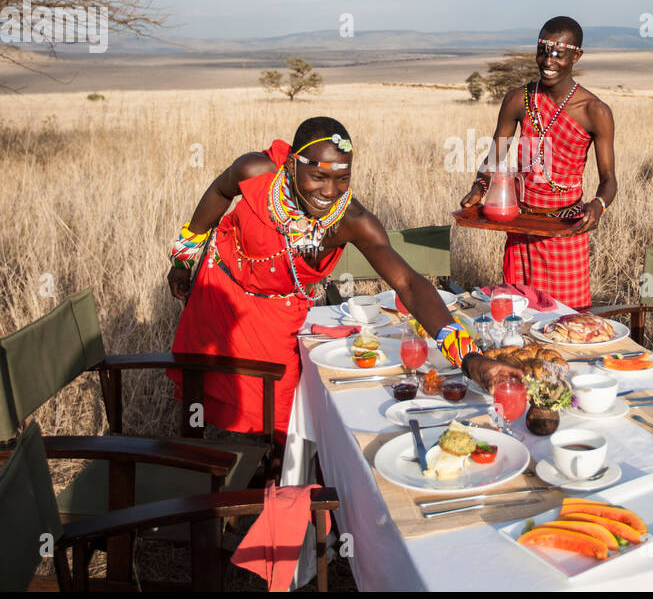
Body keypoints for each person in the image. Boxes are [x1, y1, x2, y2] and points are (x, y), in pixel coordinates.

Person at [167, 116, 522, 438]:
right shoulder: (254, 171)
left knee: (279, 422)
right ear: (292, 165)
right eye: (318, 176)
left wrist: (470, 358)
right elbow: (219, 191)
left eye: (342, 177)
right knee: (198, 392)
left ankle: (273, 492)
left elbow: (408, 284)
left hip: (276, 318)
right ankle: (198, 471)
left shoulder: (350, 220)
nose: (329, 191)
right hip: (218, 294)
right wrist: (184, 255)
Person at [459, 17, 617, 308]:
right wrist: (480, 184)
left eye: (559, 52)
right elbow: (495, 156)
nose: (548, 60)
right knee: (517, 321)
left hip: (567, 231)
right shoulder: (518, 100)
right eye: (542, 50)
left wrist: (598, 205)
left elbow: (609, 179)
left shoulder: (595, 112)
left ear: (576, 56)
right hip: (521, 225)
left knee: (568, 321)